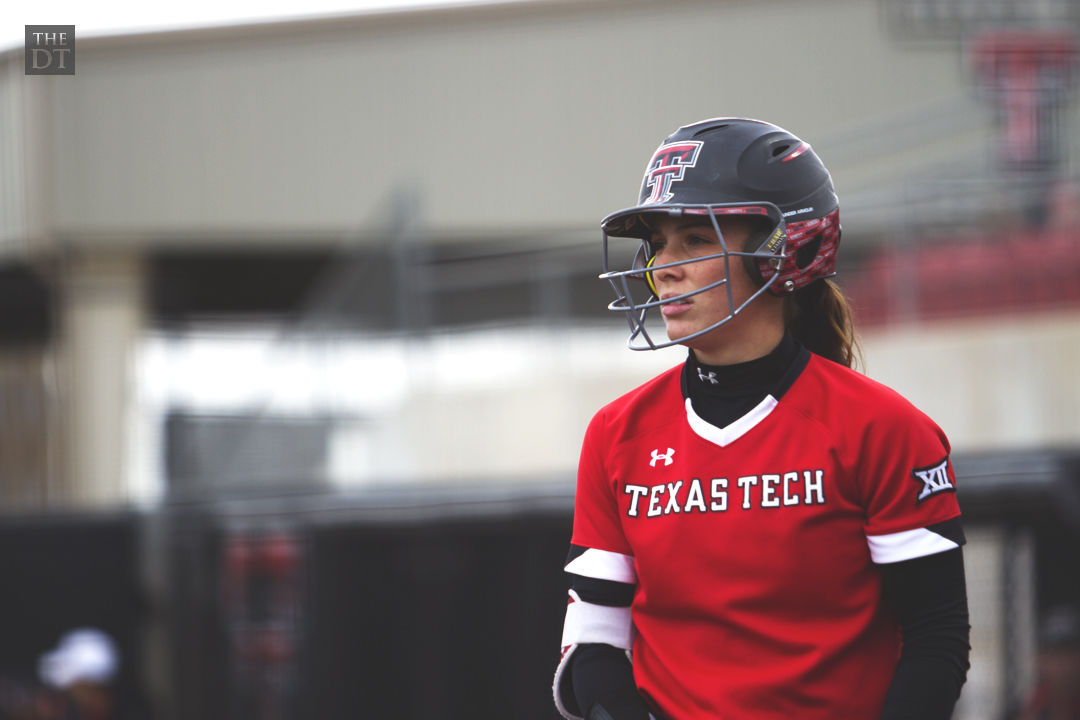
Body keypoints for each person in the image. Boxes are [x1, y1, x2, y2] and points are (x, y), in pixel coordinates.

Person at [552, 118, 971, 720]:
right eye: (658, 244)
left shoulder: (883, 429)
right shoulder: (617, 435)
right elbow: (593, 644)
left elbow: (936, 640)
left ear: (785, 247)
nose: (663, 267)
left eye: (695, 239)